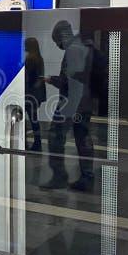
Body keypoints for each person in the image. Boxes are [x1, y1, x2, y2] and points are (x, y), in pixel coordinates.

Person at [40, 20, 97, 191]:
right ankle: (87, 178)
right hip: (84, 102)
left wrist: (53, 81)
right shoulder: (83, 46)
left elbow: (72, 81)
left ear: (62, 36)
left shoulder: (73, 49)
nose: (58, 45)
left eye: (57, 41)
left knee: (55, 137)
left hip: (71, 103)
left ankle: (59, 176)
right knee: (83, 139)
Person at [24, 37, 46, 151]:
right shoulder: (39, 58)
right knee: (34, 119)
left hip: (29, 94)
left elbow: (28, 78)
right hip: (35, 95)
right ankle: (37, 143)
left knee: (25, 120)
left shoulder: (30, 60)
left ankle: (26, 143)